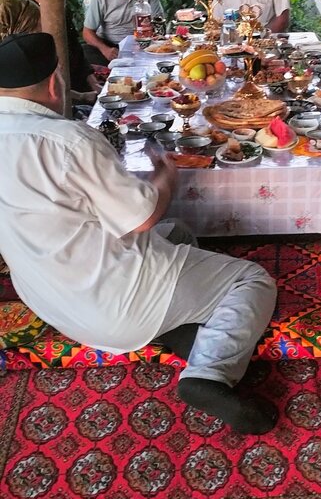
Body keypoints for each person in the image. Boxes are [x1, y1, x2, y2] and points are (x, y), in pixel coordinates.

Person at [0, 32, 277, 434]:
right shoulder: (67, 141)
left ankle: (182, 327)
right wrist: (165, 176)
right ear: (53, 82)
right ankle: (209, 375)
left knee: (178, 232)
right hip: (114, 302)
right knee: (253, 281)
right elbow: (143, 217)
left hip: (54, 302)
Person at [26, 0, 101, 99]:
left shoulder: (63, 16)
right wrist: (81, 96)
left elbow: (78, 54)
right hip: (57, 97)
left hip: (77, 84)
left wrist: (95, 85)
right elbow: (43, 84)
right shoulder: (32, 28)